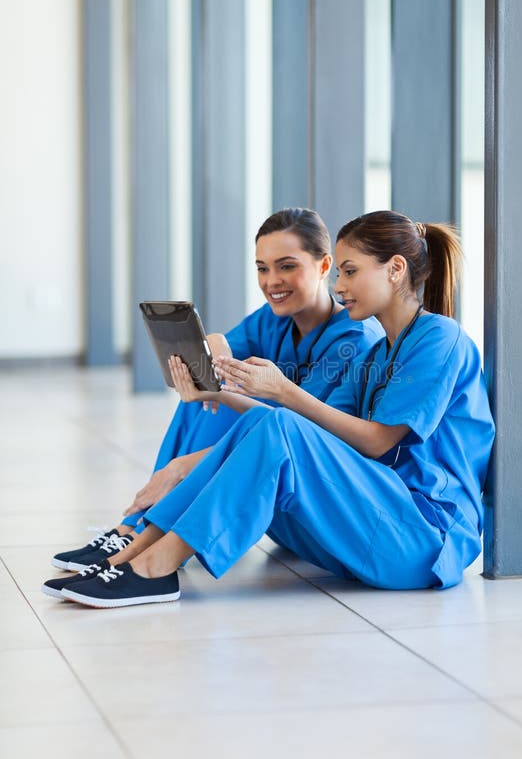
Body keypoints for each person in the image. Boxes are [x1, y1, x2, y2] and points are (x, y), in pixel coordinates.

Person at [44, 210, 495, 607]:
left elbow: (377, 442)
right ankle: (136, 548)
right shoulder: (378, 356)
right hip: (369, 521)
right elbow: (311, 430)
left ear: (395, 270)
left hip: (421, 537)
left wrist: (283, 392)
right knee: (261, 419)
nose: (339, 287)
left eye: (350, 272)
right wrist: (217, 397)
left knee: (280, 423)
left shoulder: (440, 339)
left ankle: (153, 568)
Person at [48, 208, 383, 576]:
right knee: (205, 390)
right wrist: (212, 349)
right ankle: (136, 528)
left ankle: (152, 529)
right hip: (276, 500)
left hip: (310, 497)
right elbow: (222, 348)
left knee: (244, 405)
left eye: (286, 266)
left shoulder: (353, 340)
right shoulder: (273, 319)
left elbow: (297, 435)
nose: (272, 281)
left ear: (323, 266)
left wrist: (182, 467)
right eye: (262, 268)